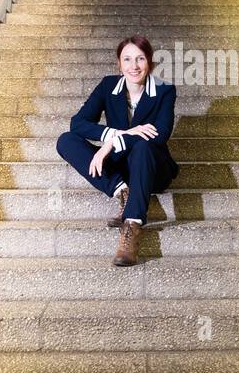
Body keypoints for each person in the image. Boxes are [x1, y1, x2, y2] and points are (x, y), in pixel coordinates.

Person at [55, 35, 179, 266]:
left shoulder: (164, 90)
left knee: (143, 144)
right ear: (119, 64)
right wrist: (113, 135)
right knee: (66, 140)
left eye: (140, 59)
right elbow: (78, 123)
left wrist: (110, 145)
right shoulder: (108, 85)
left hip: (153, 168)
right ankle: (122, 190)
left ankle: (131, 227)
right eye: (127, 59)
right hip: (120, 166)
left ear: (149, 62)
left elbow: (159, 135)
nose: (134, 66)